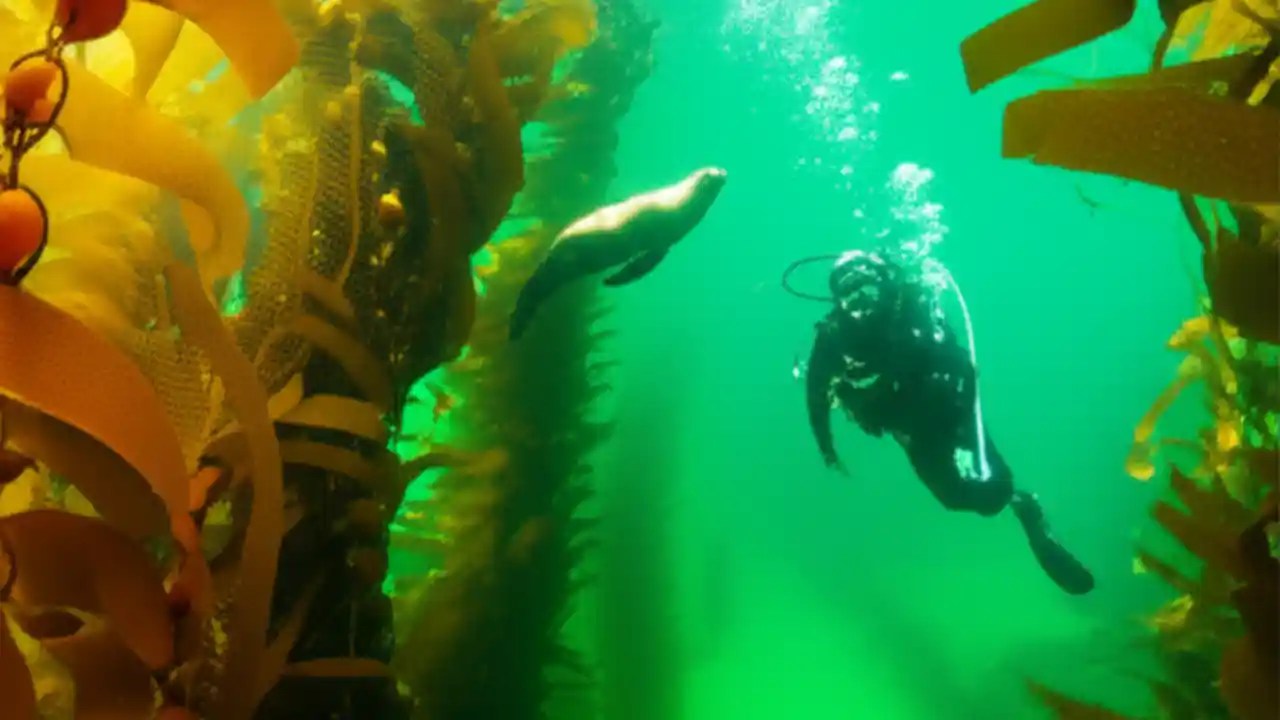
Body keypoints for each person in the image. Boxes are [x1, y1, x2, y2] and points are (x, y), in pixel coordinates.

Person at [798, 247, 1095, 595]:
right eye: (846, 290)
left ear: (882, 281)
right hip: (908, 427)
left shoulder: (908, 303)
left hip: (951, 406)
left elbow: (945, 353)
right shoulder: (833, 334)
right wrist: (828, 451)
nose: (858, 296)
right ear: (835, 297)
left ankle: (1027, 513)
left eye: (864, 284)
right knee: (953, 498)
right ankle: (1015, 503)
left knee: (993, 491)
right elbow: (815, 394)